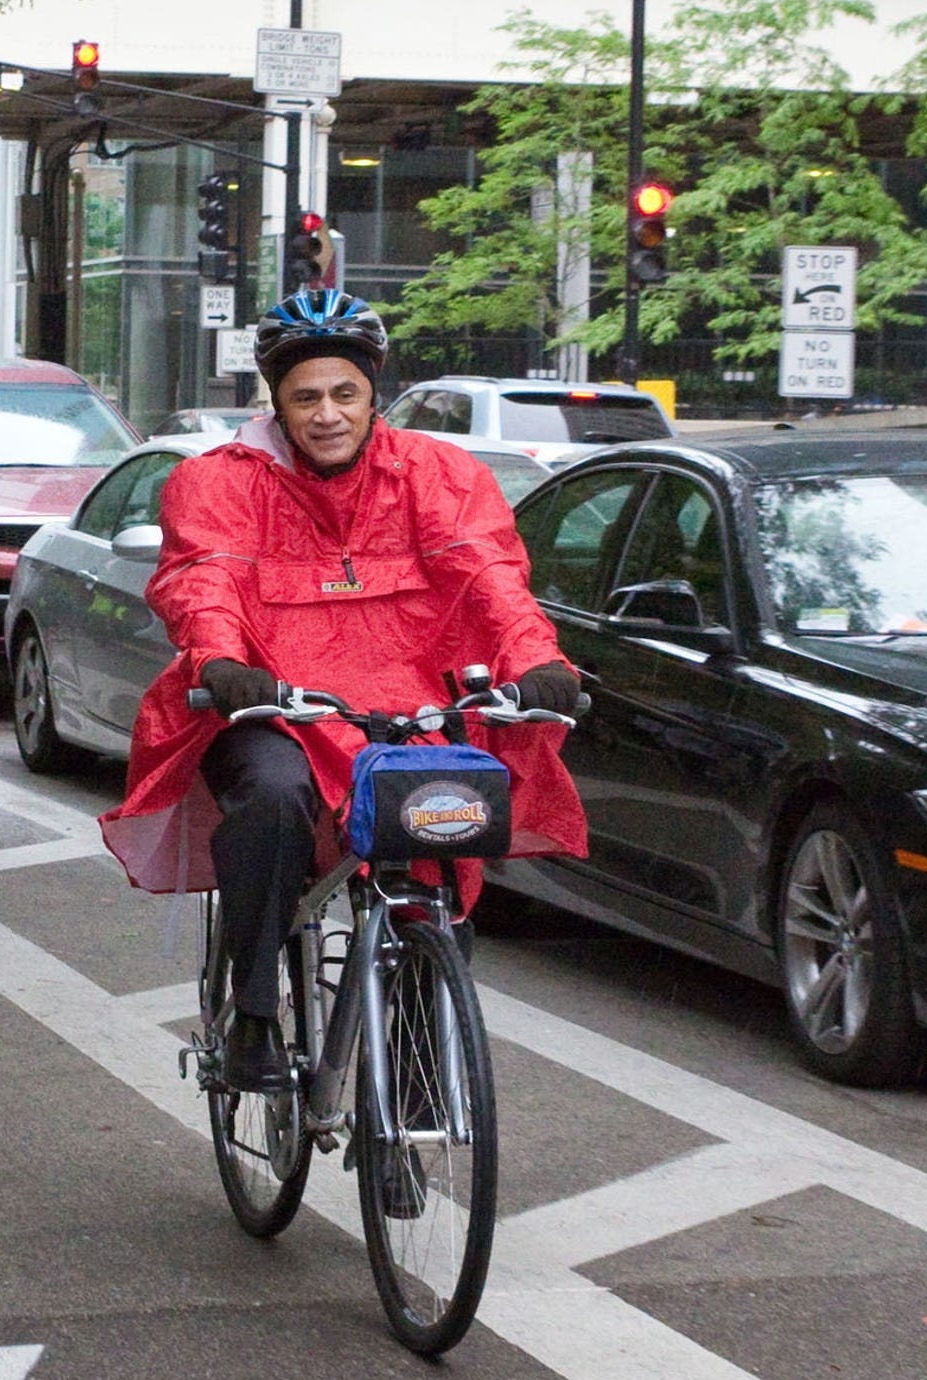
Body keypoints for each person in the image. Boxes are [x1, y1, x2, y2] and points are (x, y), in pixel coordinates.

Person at [98, 290, 588, 1088]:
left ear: (373, 395)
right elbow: (205, 579)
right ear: (277, 403)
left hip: (405, 710)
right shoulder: (216, 481)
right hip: (270, 703)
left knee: (442, 835)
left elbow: (490, 574)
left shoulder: (438, 473)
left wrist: (538, 659)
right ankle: (255, 1013)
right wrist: (222, 661)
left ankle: (421, 1063)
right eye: (305, 397)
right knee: (269, 800)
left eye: (344, 394)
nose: (327, 414)